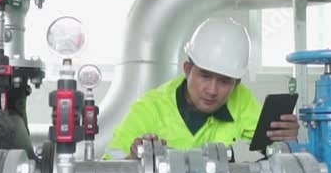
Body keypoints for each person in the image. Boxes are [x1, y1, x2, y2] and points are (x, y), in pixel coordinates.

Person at [105, 18, 299, 160]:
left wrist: (287, 140)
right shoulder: (150, 108)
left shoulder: (240, 99)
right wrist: (132, 159)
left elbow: (273, 146)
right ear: (187, 70)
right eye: (205, 76)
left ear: (236, 83)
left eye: (225, 81)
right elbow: (110, 167)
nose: (212, 90)